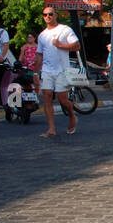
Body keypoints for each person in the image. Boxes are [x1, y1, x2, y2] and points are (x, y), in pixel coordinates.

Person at [37, 7, 79, 138]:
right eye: (45, 14)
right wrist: (34, 72)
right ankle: (51, 129)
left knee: (62, 99)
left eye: (50, 14)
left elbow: (77, 46)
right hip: (47, 70)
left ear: (55, 15)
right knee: (47, 96)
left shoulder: (65, 30)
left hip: (62, 70)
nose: (48, 16)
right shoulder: (42, 35)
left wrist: (60, 45)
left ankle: (72, 115)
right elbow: (39, 54)